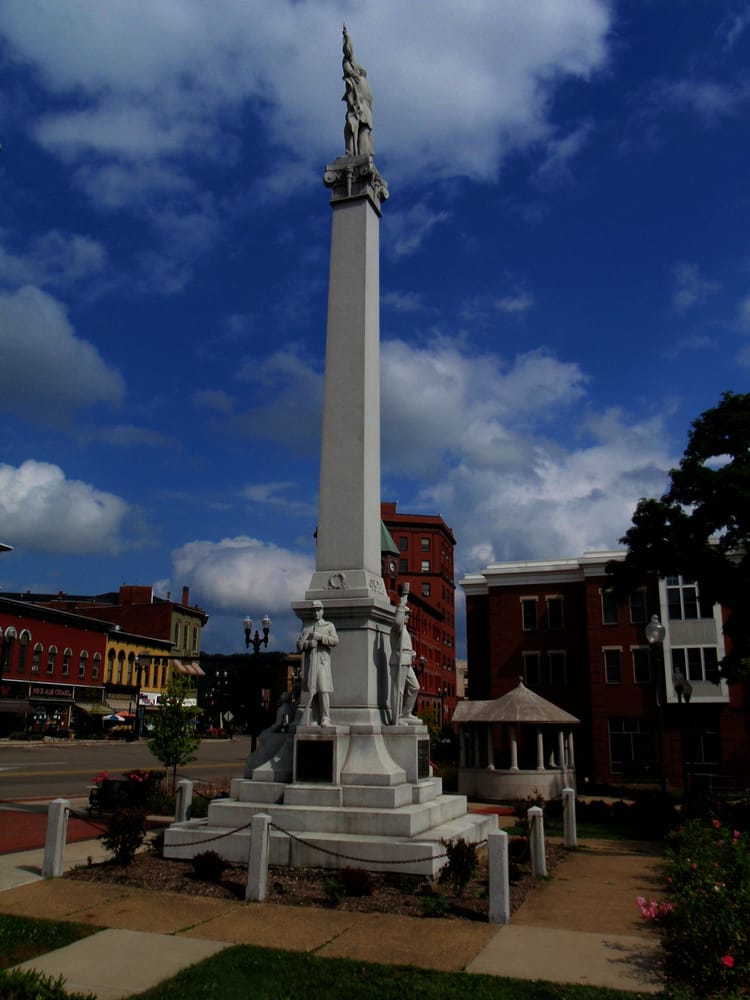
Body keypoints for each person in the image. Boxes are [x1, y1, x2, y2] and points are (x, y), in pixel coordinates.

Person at [297, 600, 339, 726]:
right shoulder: (307, 629)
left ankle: (325, 717)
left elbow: (335, 641)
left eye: (318, 610)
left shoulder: (328, 626)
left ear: (322, 611)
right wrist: (308, 644)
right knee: (312, 689)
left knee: (323, 688)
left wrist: (321, 638)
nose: (316, 612)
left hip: (322, 661)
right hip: (311, 662)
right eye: (314, 610)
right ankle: (315, 717)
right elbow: (299, 645)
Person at [389, 588, 420, 725]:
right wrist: (402, 602)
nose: (408, 616)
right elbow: (397, 622)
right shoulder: (397, 628)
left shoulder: (406, 630)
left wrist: (412, 653)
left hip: (407, 660)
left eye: (408, 614)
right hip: (399, 660)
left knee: (415, 687)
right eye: (406, 614)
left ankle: (406, 713)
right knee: (399, 689)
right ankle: (396, 717)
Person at [342, 25, 374, 157]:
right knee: (363, 132)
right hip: (365, 112)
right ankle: (364, 155)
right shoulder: (366, 84)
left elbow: (349, 58)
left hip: (359, 110)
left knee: (351, 130)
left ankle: (356, 154)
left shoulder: (358, 80)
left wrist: (346, 38)